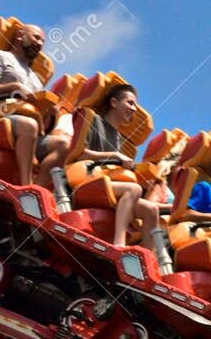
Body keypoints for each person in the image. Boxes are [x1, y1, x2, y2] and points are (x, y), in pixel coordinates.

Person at [0, 22, 69, 188]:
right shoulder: (1, 57)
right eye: (36, 37)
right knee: (28, 125)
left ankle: (37, 188)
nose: (40, 44)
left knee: (63, 145)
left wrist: (51, 112)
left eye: (43, 41)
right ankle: (25, 186)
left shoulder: (36, 79)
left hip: (30, 129)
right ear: (20, 36)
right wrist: (14, 87)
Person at [67, 82, 159, 248]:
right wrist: (114, 155)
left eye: (136, 105)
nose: (134, 109)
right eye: (130, 103)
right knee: (133, 189)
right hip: (84, 179)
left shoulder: (117, 137)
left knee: (151, 210)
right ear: (114, 102)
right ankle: (119, 243)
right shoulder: (93, 120)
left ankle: (146, 259)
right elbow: (79, 153)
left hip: (105, 185)